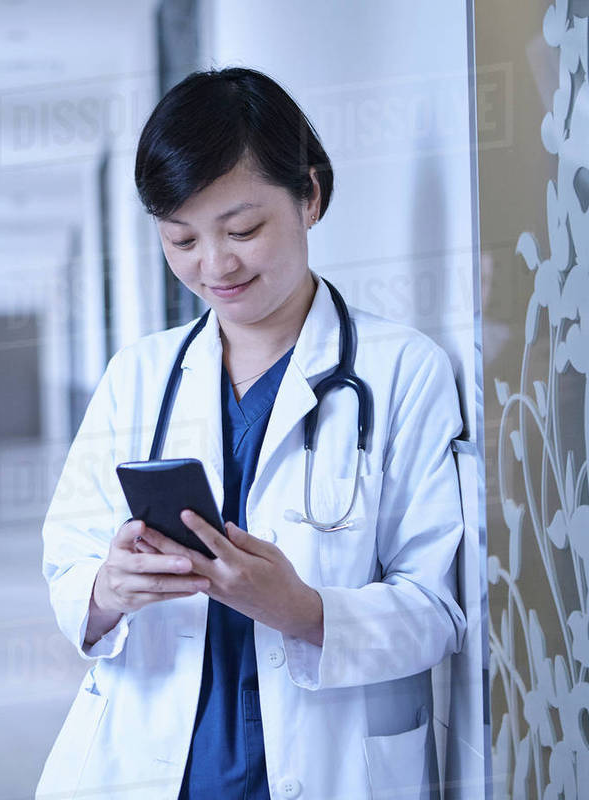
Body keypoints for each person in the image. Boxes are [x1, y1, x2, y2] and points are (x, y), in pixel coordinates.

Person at [37, 67, 467, 800]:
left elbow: (438, 612)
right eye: (182, 240)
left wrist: (300, 609)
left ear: (311, 196)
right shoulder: (138, 375)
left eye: (242, 230)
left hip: (328, 767)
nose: (215, 266)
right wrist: (109, 586)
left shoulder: (405, 374)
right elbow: (67, 568)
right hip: (152, 765)